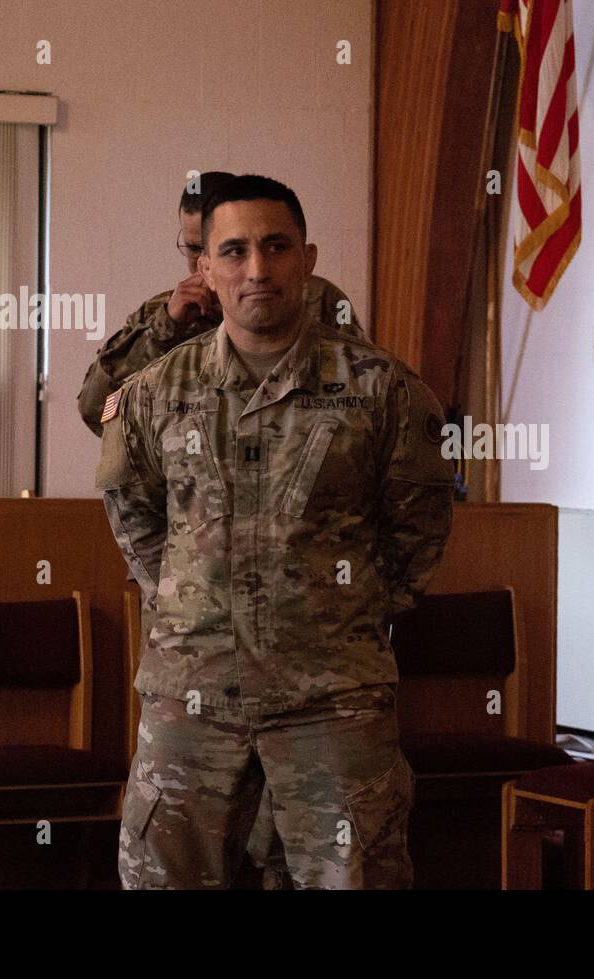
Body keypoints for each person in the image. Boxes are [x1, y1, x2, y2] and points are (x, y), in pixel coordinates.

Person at [97, 174, 453, 889]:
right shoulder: (153, 393)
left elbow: (419, 528)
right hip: (190, 702)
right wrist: (193, 599)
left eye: (275, 246)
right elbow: (131, 510)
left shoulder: (381, 390)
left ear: (307, 257)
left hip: (332, 705)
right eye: (233, 251)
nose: (256, 269)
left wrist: (335, 615)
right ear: (205, 267)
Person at [77, 170, 363, 436]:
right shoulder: (163, 313)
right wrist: (165, 328)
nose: (202, 263)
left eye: (230, 248)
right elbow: (97, 411)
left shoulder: (314, 298)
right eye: (192, 249)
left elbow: (364, 398)